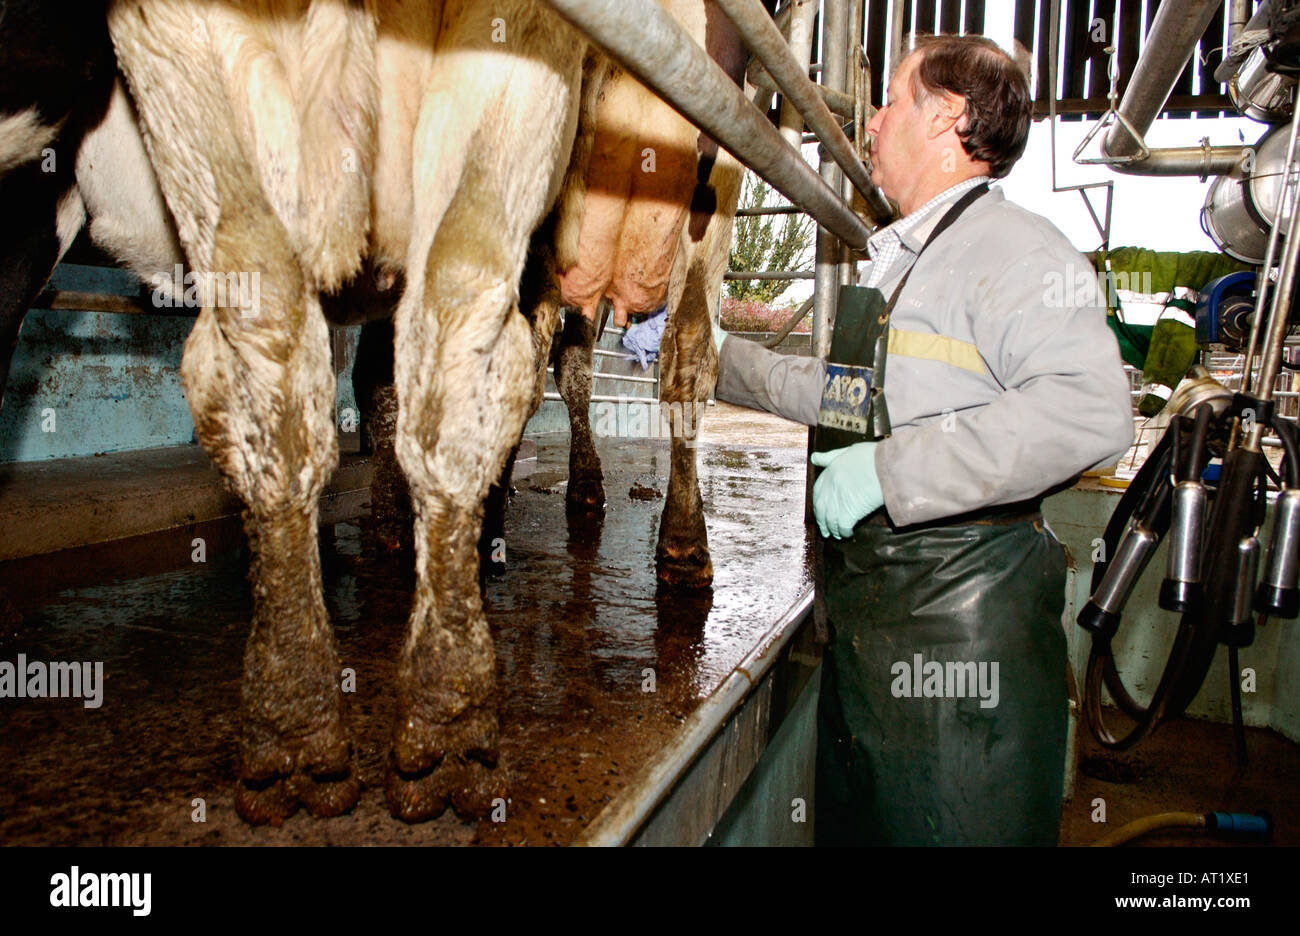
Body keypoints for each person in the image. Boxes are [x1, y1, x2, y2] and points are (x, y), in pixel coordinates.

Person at [713, 34, 1134, 845]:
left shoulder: (1015, 251)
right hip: (876, 630)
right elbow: (851, 400)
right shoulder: (908, 262)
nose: (869, 121)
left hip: (962, 644)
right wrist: (710, 357)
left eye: (891, 98)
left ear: (946, 116)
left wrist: (893, 469)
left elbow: (1092, 412)